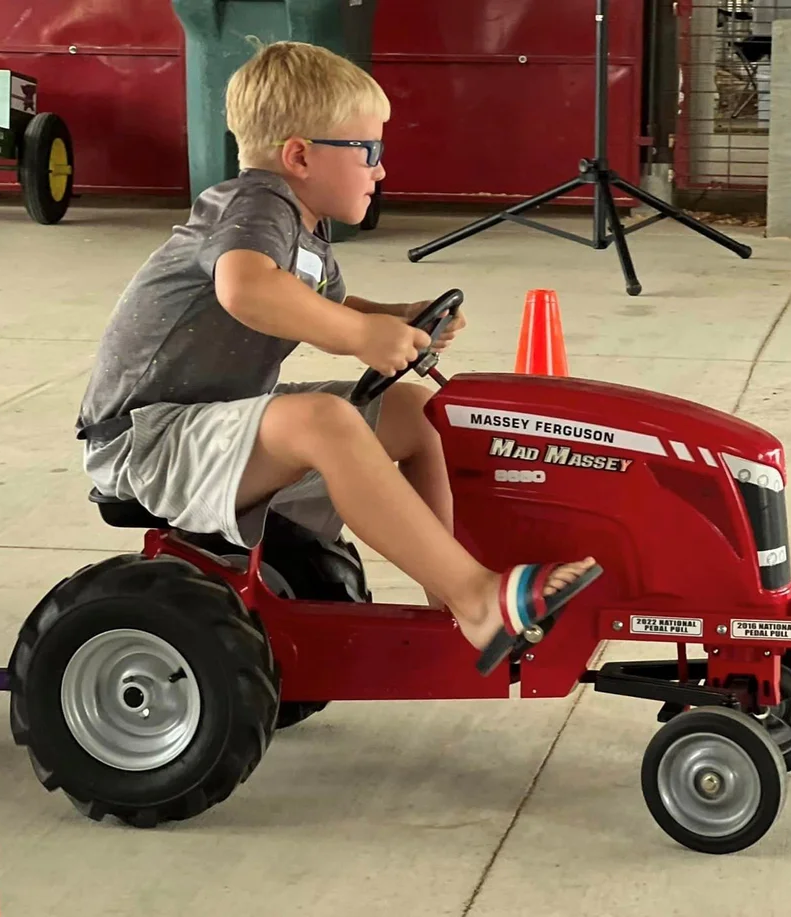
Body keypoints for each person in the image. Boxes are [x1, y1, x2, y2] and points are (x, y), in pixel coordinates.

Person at [75, 40, 601, 675]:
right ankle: (477, 596)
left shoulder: (303, 232)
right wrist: (357, 337)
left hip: (207, 425)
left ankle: (456, 606)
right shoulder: (254, 206)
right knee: (325, 419)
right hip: (142, 440)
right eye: (369, 152)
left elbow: (329, 301)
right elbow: (246, 288)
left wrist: (395, 318)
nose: (379, 171)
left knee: (413, 411)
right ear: (299, 155)